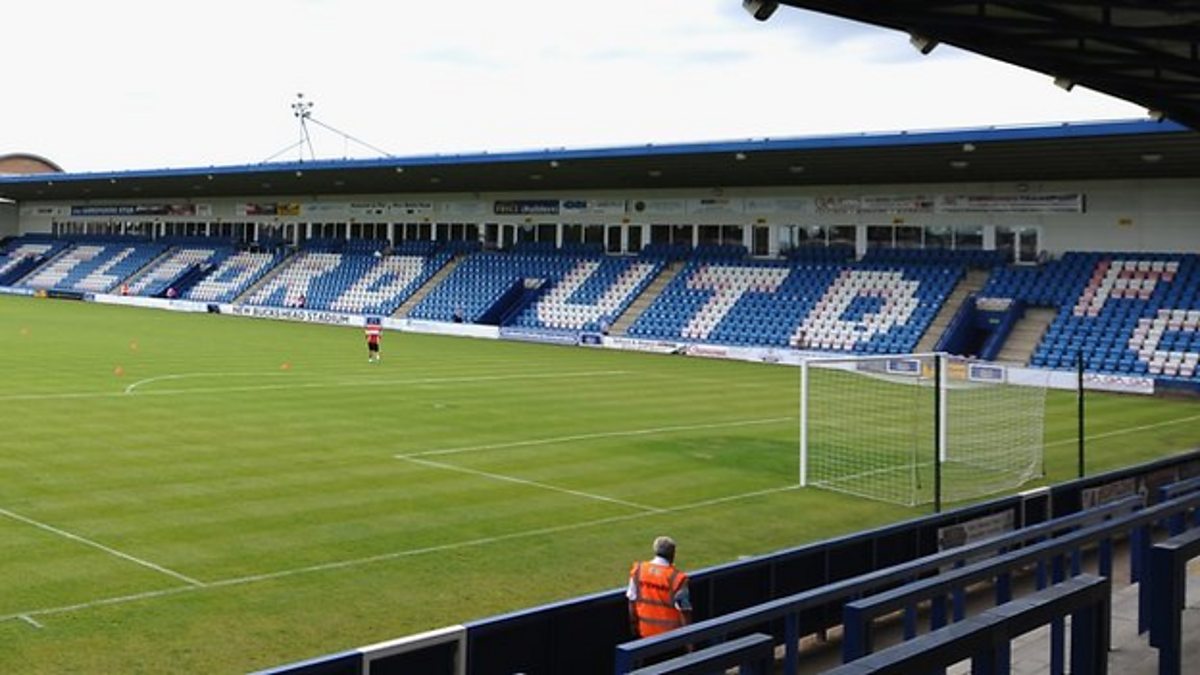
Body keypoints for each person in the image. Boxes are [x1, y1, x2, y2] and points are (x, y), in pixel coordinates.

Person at [627, 536, 692, 639]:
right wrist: (689, 642)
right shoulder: (677, 578)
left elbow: (631, 601)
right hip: (670, 638)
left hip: (644, 634)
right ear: (673, 554)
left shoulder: (638, 570)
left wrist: (634, 628)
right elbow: (684, 611)